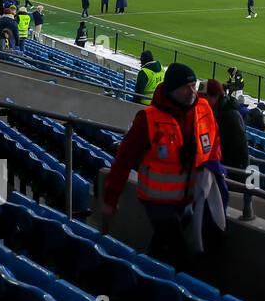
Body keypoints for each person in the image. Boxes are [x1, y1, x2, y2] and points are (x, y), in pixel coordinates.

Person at [101, 63, 225, 269]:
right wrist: (111, 199)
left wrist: (214, 168)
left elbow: (214, 141)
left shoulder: (203, 109)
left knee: (162, 248)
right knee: (179, 256)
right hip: (157, 201)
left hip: (190, 197)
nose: (192, 92)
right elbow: (124, 159)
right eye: (186, 87)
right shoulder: (148, 119)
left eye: (194, 85)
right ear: (171, 89)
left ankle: (139, 277)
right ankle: (181, 294)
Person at [205, 79, 248, 172]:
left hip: (230, 169)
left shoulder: (231, 116)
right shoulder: (218, 111)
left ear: (214, 96)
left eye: (205, 97)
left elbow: (239, 149)